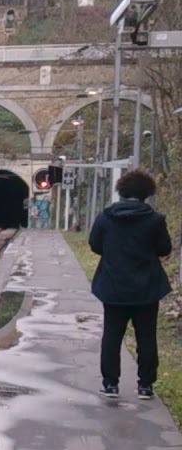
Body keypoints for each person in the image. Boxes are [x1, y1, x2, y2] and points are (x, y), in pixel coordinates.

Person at [88, 169, 173, 400]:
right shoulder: (155, 220)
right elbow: (164, 249)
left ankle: (110, 384)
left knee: (112, 335)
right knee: (146, 336)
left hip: (113, 286)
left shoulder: (106, 217)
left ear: (122, 191)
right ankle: (145, 386)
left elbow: (95, 244)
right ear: (147, 193)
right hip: (147, 288)